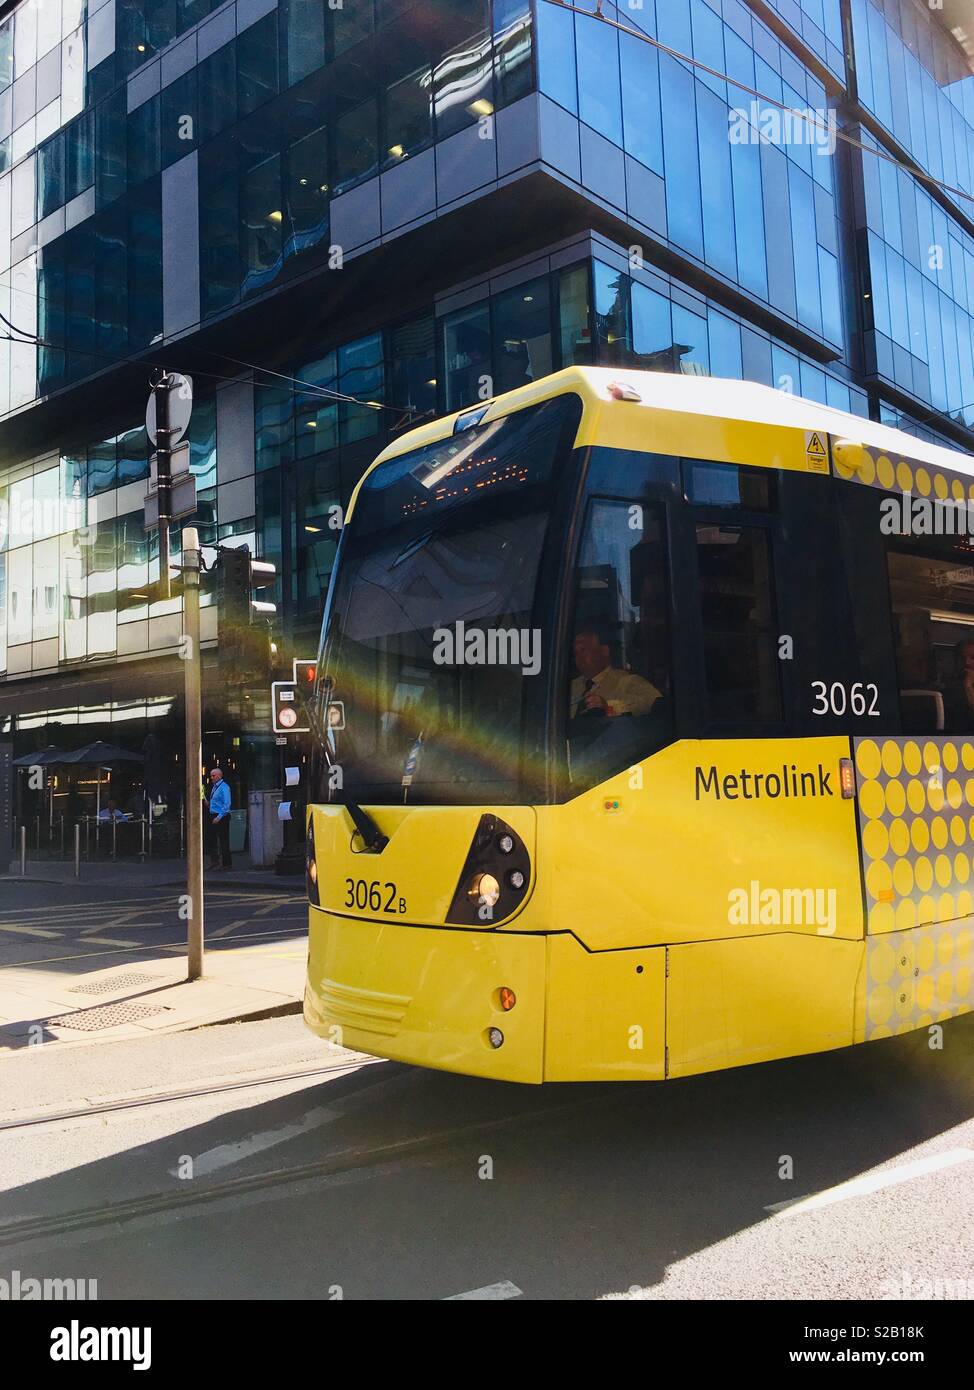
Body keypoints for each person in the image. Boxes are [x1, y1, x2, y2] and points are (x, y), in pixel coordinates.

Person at [569, 624, 661, 721]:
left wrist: (608, 706)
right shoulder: (570, 687)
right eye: (576, 653)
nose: (578, 657)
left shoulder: (628, 681)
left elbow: (652, 702)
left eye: (583, 650)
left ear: (604, 651)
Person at [206, 767, 232, 870]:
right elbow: (218, 802)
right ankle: (215, 860)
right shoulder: (214, 787)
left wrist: (219, 817)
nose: (211, 777)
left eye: (213, 775)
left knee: (223, 840)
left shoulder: (224, 787)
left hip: (221, 816)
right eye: (211, 775)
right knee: (211, 839)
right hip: (213, 814)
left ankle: (226, 863)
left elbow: (227, 804)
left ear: (219, 776)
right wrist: (209, 804)